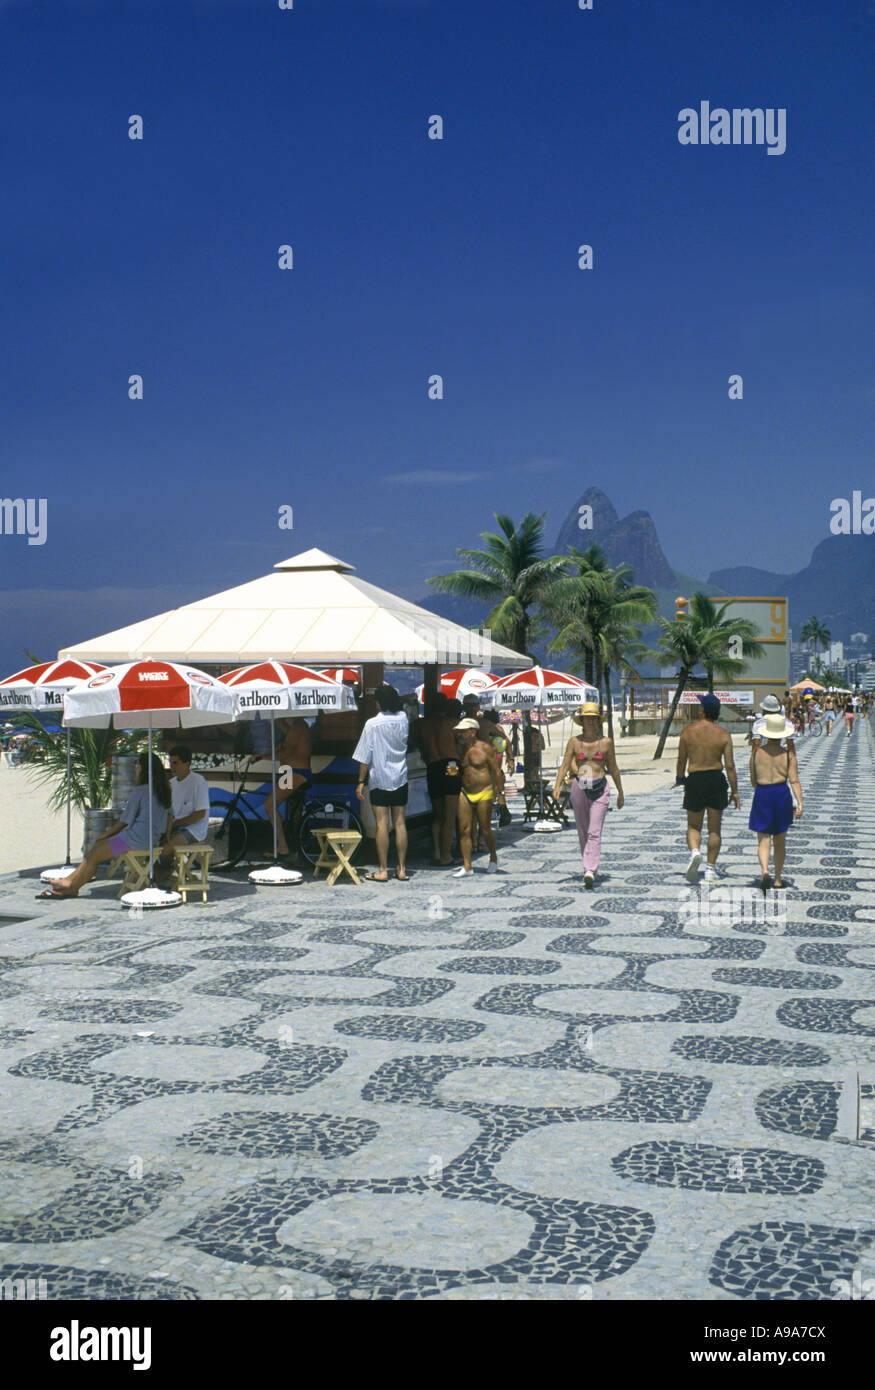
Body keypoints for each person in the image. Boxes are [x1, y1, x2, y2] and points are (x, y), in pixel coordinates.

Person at [40, 753, 171, 899]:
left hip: (134, 839)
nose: (135, 767)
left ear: (143, 768)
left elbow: (124, 821)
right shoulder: (164, 791)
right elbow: (169, 817)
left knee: (94, 855)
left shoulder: (140, 791)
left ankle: (71, 886)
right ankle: (69, 881)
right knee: (95, 851)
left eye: (137, 764)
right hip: (150, 839)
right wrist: (166, 837)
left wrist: (105, 834)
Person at [553, 702, 624, 888]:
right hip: (580, 787)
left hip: (600, 787)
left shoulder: (606, 742)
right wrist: (557, 785)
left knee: (594, 831)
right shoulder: (575, 742)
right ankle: (589, 866)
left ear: (598, 721)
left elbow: (614, 768)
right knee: (583, 831)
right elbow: (565, 764)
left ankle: (589, 868)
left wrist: (621, 793)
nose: (591, 721)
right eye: (587, 718)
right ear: (582, 721)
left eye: (594, 718)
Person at [674, 693, 739, 882]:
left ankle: (695, 851)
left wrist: (680, 779)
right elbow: (730, 766)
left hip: (695, 778)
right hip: (715, 779)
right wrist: (734, 791)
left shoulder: (688, 731)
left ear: (702, 710)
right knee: (714, 829)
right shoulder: (723, 734)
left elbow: (681, 760)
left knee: (693, 826)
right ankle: (710, 869)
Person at [353, 684, 410, 882]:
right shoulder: (404, 719)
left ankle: (383, 869)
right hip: (400, 777)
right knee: (400, 823)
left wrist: (361, 781)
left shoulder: (372, 724)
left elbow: (364, 757)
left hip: (379, 779)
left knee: (381, 824)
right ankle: (402, 869)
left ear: (378, 702)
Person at [749, 709, 803, 890]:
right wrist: (800, 803)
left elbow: (753, 780)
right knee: (780, 841)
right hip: (781, 793)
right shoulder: (788, 754)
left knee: (763, 839)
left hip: (763, 793)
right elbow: (794, 780)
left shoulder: (756, 752)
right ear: (782, 734)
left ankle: (765, 871)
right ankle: (778, 879)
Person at [453, 717, 501, 876]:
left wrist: (499, 793)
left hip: (484, 791)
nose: (459, 735)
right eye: (458, 732)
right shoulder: (458, 749)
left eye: (463, 732)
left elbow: (496, 771)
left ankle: (493, 857)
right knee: (464, 830)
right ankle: (467, 866)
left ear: (473, 733)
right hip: (465, 792)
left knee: (485, 829)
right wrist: (452, 771)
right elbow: (458, 770)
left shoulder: (485, 748)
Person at [417, 692, 462, 865]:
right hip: (451, 765)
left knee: (437, 814)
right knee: (450, 815)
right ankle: (446, 855)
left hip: (433, 767)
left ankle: (436, 852)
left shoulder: (422, 726)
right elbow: (461, 748)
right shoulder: (452, 724)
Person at [156, 745, 212, 882]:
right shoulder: (170, 783)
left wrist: (174, 825)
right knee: (149, 843)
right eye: (170, 762)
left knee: (167, 848)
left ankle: (162, 876)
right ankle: (159, 875)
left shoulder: (198, 781)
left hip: (194, 829)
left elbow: (200, 814)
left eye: (176, 763)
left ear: (187, 763)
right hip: (173, 826)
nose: (172, 766)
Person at [264, 717, 313, 858]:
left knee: (269, 805)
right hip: (292, 773)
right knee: (293, 813)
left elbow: (286, 753)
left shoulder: (297, 726)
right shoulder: (298, 726)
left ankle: (283, 846)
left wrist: (262, 757)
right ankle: (297, 851)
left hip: (296, 774)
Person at [481, 709, 513, 826]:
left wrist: (511, 760)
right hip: (496, 768)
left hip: (491, 769)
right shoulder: (496, 729)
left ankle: (500, 813)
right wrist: (510, 760)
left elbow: (507, 742)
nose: (499, 717)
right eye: (497, 715)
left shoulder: (488, 728)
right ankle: (503, 812)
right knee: (499, 792)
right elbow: (507, 743)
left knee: (496, 793)